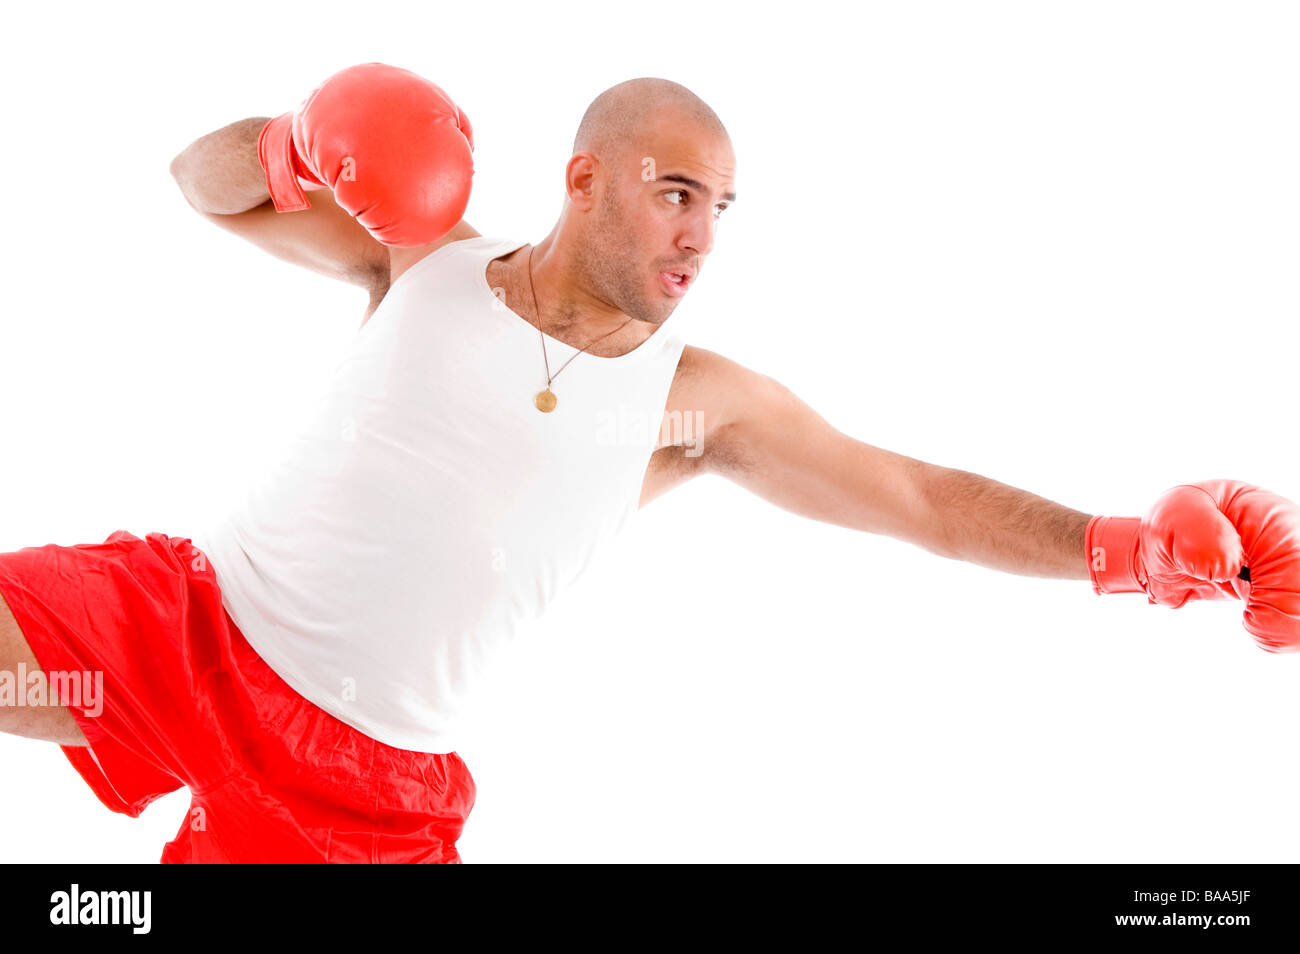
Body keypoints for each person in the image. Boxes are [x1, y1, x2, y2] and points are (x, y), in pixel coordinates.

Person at [1, 62, 1296, 864]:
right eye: (679, 191)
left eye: (721, 209)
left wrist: (1115, 549)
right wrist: (294, 136)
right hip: (185, 631)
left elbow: (920, 498)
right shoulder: (424, 254)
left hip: (360, 797)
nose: (702, 236)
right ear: (583, 177)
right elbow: (199, 183)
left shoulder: (688, 405)